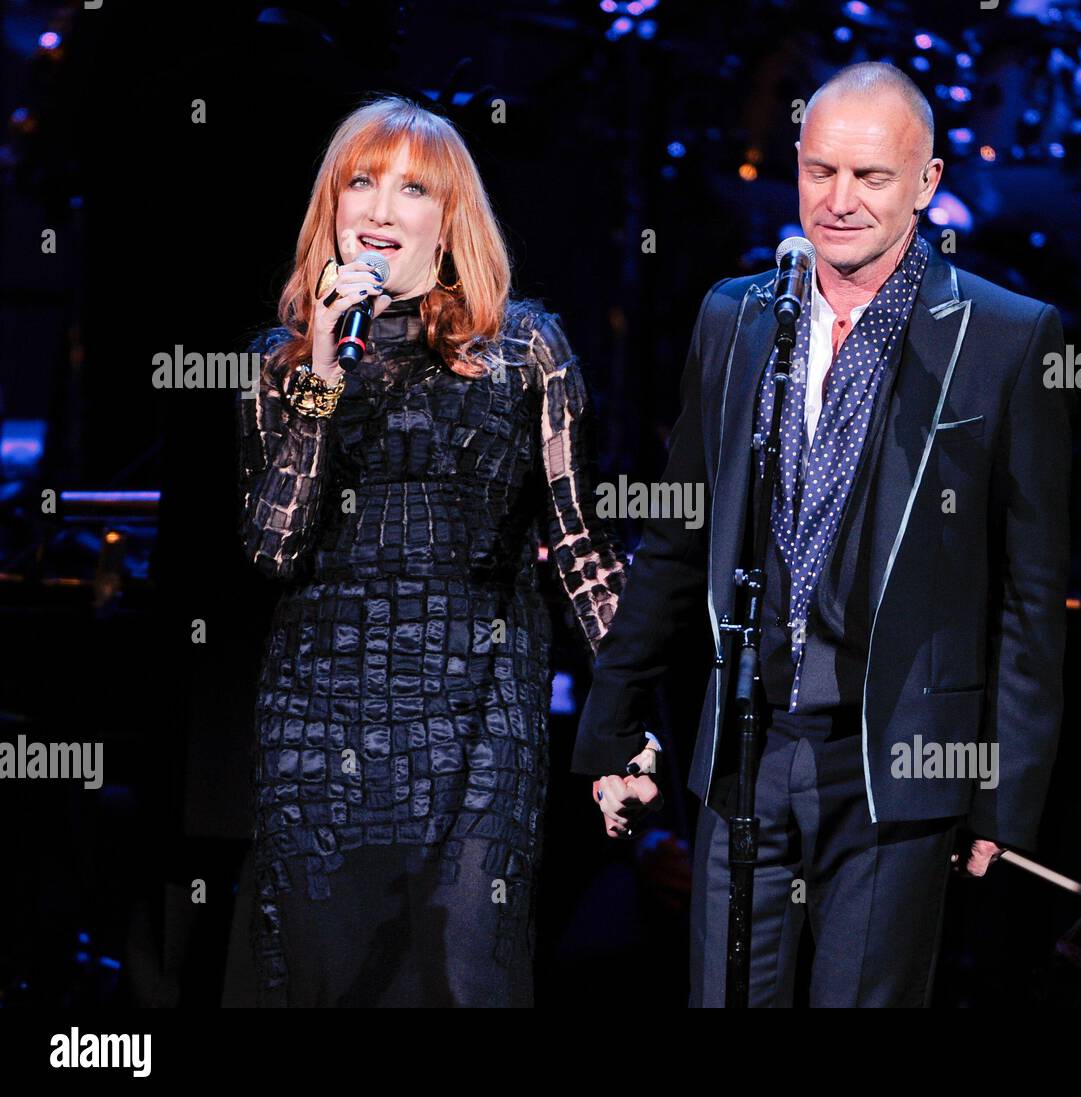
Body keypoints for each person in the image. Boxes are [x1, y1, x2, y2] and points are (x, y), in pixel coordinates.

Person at [573, 62, 1071, 1006]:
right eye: (820, 172)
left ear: (925, 185)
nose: (838, 201)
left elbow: (1030, 592)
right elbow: (679, 536)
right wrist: (613, 721)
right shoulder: (739, 317)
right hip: (746, 745)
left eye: (871, 177)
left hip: (898, 761)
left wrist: (1004, 794)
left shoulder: (1007, 336)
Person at [236, 94, 625, 1006]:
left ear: (449, 219)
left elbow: (579, 546)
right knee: (333, 981)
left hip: (480, 716)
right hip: (318, 721)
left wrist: (630, 714)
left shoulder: (523, 349)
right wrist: (326, 371)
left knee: (467, 971)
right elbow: (273, 543)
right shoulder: (286, 365)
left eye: (411, 189)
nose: (378, 211)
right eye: (359, 183)